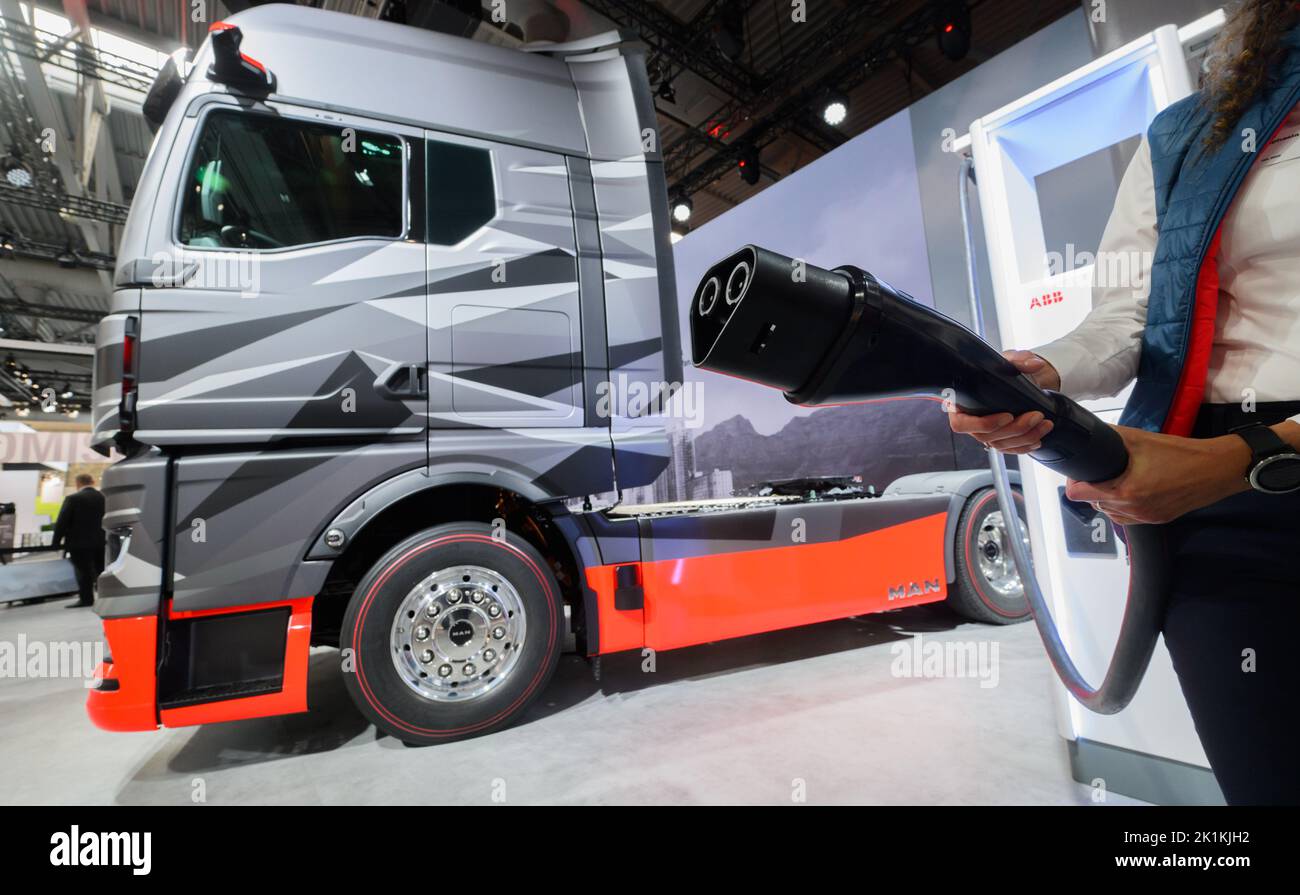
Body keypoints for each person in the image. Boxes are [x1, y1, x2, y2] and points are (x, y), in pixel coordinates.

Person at [950, 0, 1300, 805]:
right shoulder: (1186, 133)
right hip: (1218, 517)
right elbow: (1125, 319)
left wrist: (1245, 457)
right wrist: (1042, 368)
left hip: (1237, 460)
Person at [52, 473, 106, 608]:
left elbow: (62, 522)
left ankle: (87, 599)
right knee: (101, 570)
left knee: (83, 571)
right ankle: (106, 597)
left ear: (77, 484)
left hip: (78, 543)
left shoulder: (73, 498)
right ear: (92, 481)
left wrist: (56, 542)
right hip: (101, 541)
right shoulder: (103, 497)